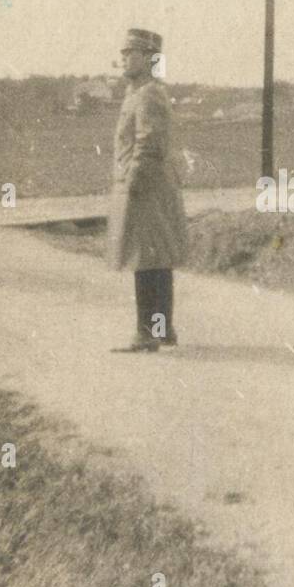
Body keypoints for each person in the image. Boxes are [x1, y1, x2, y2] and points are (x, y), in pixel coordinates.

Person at [106, 28, 188, 353]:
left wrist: (133, 181)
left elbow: (148, 142)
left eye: (131, 53)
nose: (124, 58)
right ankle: (163, 328)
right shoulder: (139, 92)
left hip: (145, 185)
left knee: (145, 258)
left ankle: (146, 333)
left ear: (149, 59)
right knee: (156, 257)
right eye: (124, 52)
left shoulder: (148, 93)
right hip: (152, 185)